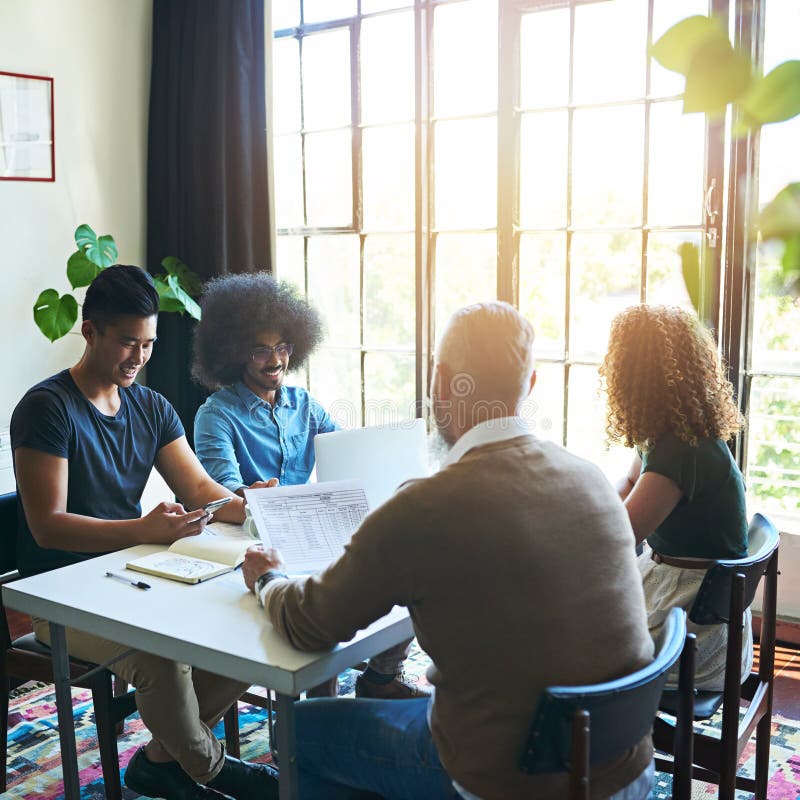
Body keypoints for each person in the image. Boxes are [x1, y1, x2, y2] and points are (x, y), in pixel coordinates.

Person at [242, 301, 656, 800]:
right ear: (530, 385)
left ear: (441, 382)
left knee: (296, 729)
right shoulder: (589, 475)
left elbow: (309, 625)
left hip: (505, 780)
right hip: (623, 768)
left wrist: (267, 578)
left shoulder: (427, 506)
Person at [11, 265, 276, 800]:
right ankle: (209, 766)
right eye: (127, 342)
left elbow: (201, 489)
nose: (139, 356)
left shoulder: (149, 405)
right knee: (160, 658)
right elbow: (47, 527)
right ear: (89, 332)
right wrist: (145, 529)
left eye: (149, 343)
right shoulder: (48, 409)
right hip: (60, 597)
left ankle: (160, 758)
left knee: (244, 622)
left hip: (130, 574)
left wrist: (251, 503)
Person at [192, 272, 428, 701]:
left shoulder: (305, 404)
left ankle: (381, 676)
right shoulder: (216, 415)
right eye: (261, 350)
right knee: (323, 607)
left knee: (410, 566)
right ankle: (318, 716)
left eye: (282, 347)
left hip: (310, 531)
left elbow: (348, 451)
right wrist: (250, 495)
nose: (275, 360)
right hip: (252, 541)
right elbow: (219, 491)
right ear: (233, 353)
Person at [600, 304, 750, 690]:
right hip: (690, 601)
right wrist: (613, 502)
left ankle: (589, 741)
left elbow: (621, 538)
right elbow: (628, 481)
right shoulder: (676, 431)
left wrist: (590, 514)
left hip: (692, 632)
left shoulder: (680, 451)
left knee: (566, 643)